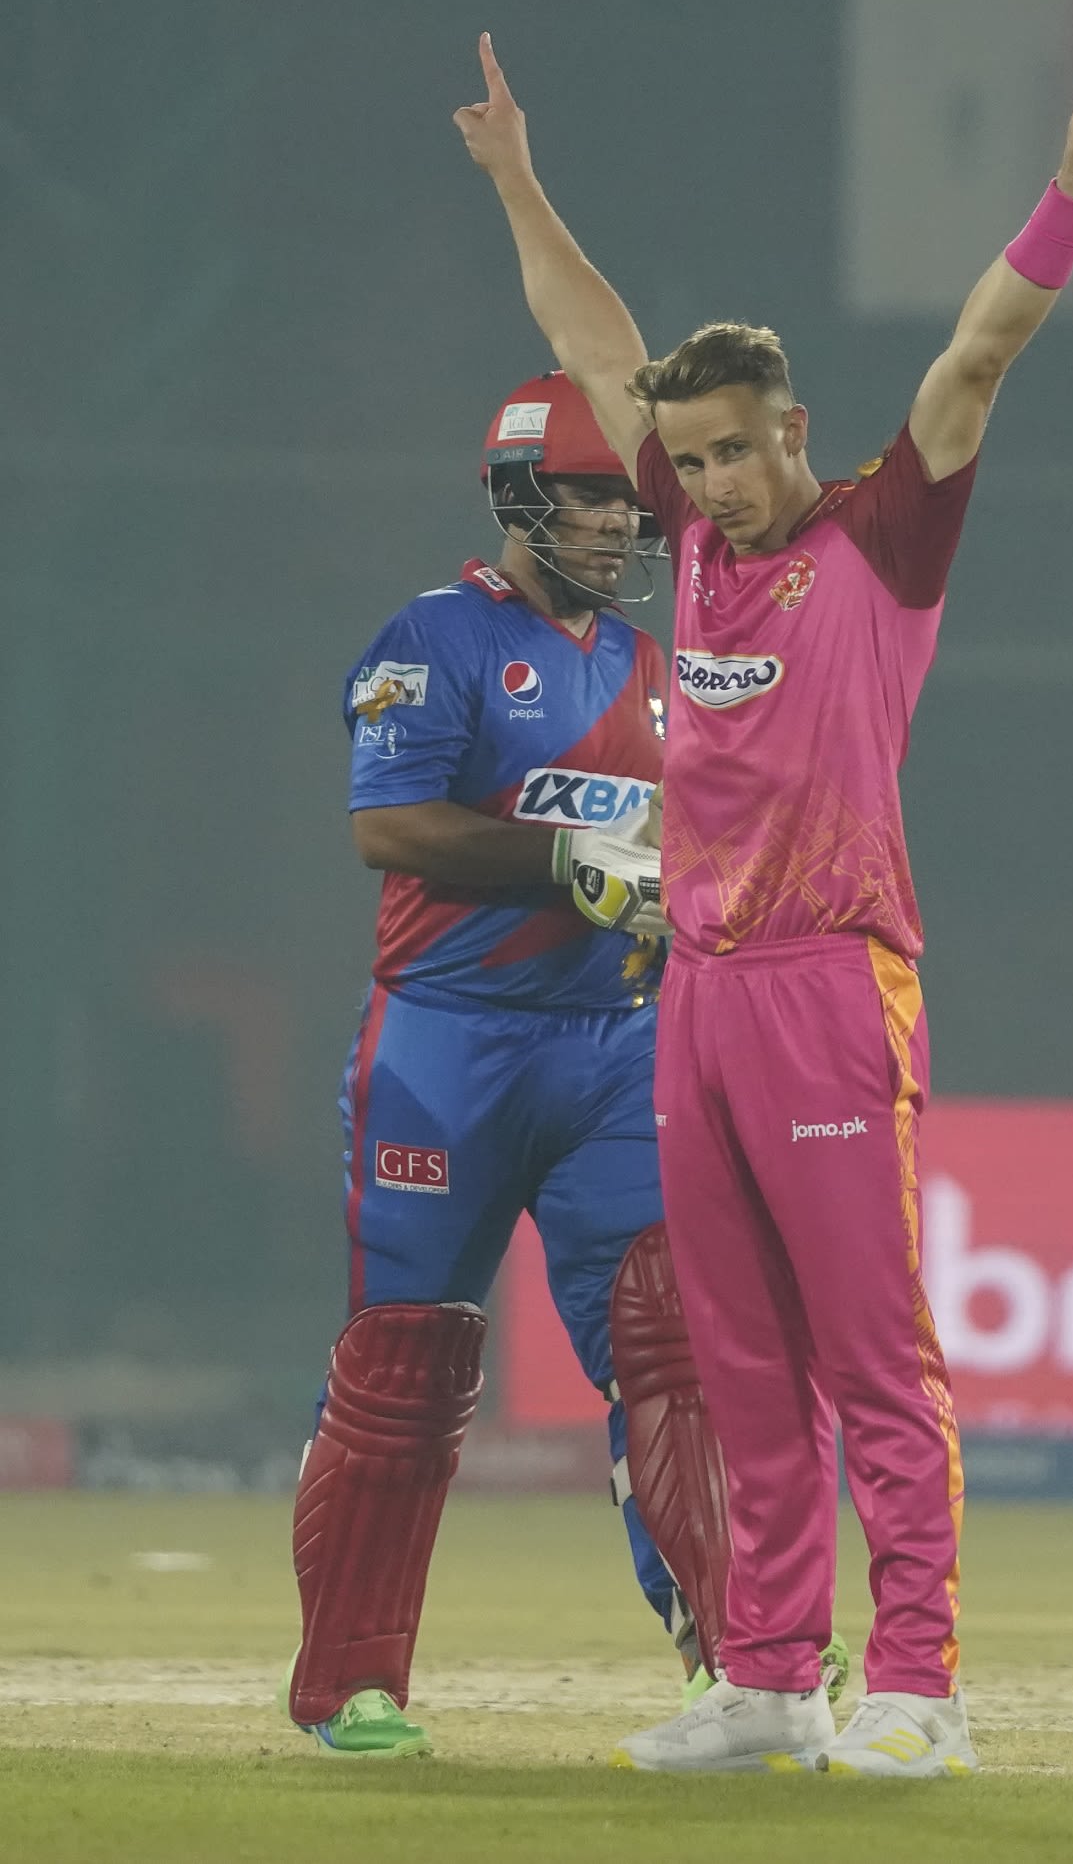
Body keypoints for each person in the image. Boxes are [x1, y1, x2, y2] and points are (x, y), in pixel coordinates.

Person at [455, 27, 1073, 1777]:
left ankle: (920, 1688)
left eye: (736, 453)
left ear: (793, 435)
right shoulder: (691, 541)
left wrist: (1069, 194)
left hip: (835, 981)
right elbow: (588, 337)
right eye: (686, 459)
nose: (708, 483)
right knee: (740, 1361)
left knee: (874, 1355)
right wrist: (519, 180)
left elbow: (978, 354)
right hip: (696, 988)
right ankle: (768, 1680)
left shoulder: (881, 536)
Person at [283, 373, 747, 1757]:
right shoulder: (438, 637)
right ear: (519, 497)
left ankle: (743, 1661)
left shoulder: (652, 665)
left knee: (678, 1347)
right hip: (447, 1044)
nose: (617, 524)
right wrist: (564, 859)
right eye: (590, 498)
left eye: (625, 503)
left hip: (616, 1047)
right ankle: (351, 1686)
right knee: (405, 1367)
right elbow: (388, 828)